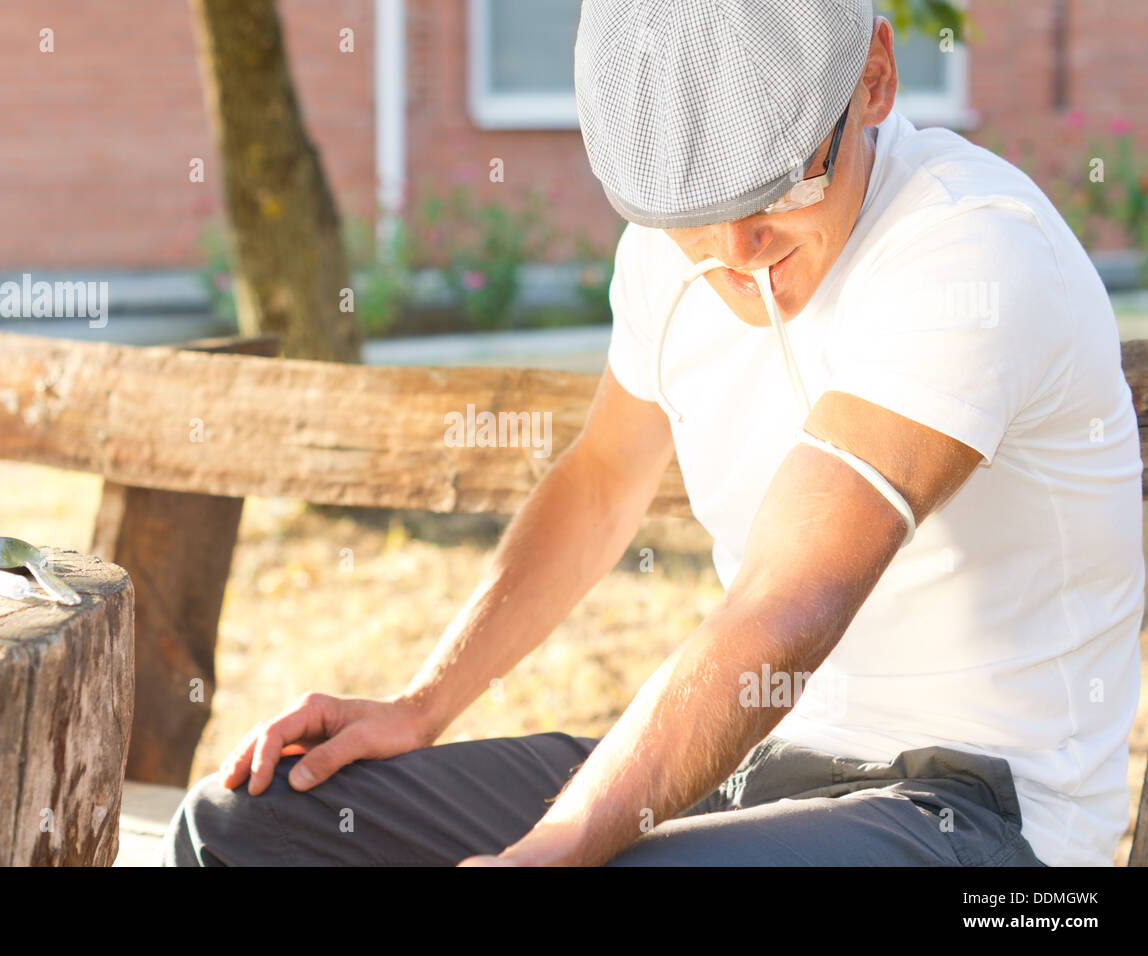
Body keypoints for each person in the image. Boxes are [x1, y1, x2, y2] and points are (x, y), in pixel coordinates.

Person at [163, 0, 1144, 867]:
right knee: (248, 824)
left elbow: (785, 602)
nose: (734, 251)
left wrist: (559, 841)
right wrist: (421, 704)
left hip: (973, 810)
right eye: (694, 215)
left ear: (875, 80)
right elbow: (598, 484)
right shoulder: (666, 261)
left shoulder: (969, 250)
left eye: (772, 190)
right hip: (756, 769)